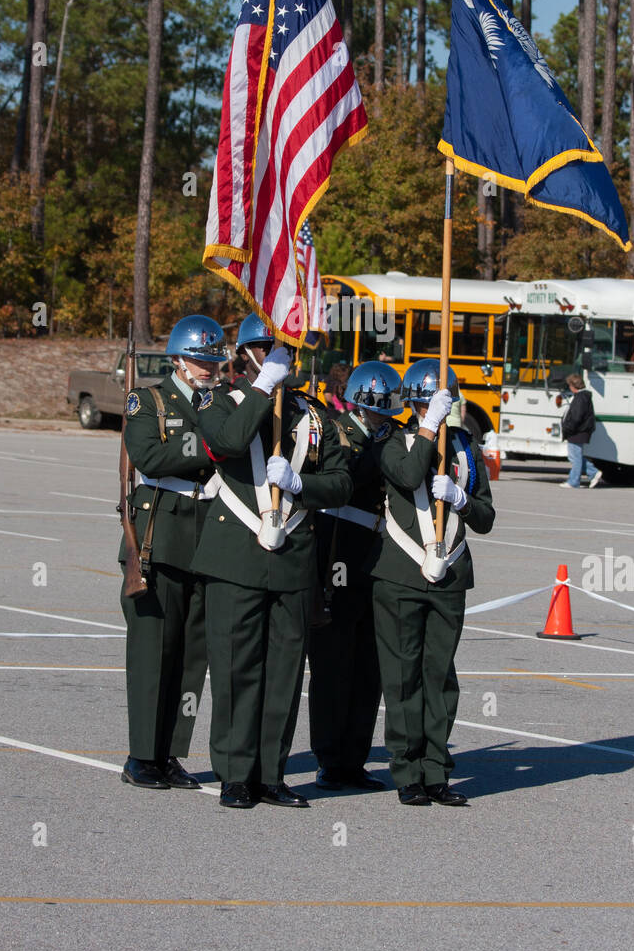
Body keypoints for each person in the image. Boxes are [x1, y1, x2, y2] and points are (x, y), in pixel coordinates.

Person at [193, 314, 353, 809]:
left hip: (293, 556)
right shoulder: (223, 401)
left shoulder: (313, 415)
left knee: (284, 669)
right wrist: (263, 387)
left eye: (283, 347)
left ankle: (271, 773)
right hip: (235, 554)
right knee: (237, 667)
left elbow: (342, 482)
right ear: (245, 353)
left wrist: (305, 485)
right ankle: (235, 774)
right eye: (264, 346)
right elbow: (229, 443)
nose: (275, 354)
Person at [366, 359, 495, 806]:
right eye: (423, 404)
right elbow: (405, 474)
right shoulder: (392, 441)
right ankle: (406, 772)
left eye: (437, 403)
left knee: (439, 678)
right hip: (400, 573)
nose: (430, 410)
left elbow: (487, 517)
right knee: (403, 676)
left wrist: (460, 499)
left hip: (451, 575)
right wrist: (429, 427)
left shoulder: (464, 448)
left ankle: (437, 771)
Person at [119, 314, 227, 790]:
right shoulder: (148, 400)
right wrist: (213, 448)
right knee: (153, 652)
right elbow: (151, 457)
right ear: (179, 360)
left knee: (190, 656)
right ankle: (142, 755)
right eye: (201, 361)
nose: (209, 368)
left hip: (207, 538)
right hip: (159, 538)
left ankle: (171, 754)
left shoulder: (221, 403)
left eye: (213, 360)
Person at [309, 360, 402, 793]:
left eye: (389, 408)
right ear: (359, 403)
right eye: (377, 408)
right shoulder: (336, 430)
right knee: (334, 662)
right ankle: (330, 759)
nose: (384, 416)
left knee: (370, 665)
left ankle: (355, 758)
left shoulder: (392, 436)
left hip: (379, 555)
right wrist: (384, 446)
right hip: (338, 550)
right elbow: (347, 478)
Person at [559, 373, 603, 489]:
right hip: (579, 432)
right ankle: (593, 473)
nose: (569, 387)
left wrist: (568, 429)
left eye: (569, 385)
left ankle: (574, 481)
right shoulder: (582, 396)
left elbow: (576, 417)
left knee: (575, 457)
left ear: (574, 386)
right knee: (575, 456)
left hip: (576, 432)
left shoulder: (580, 397)